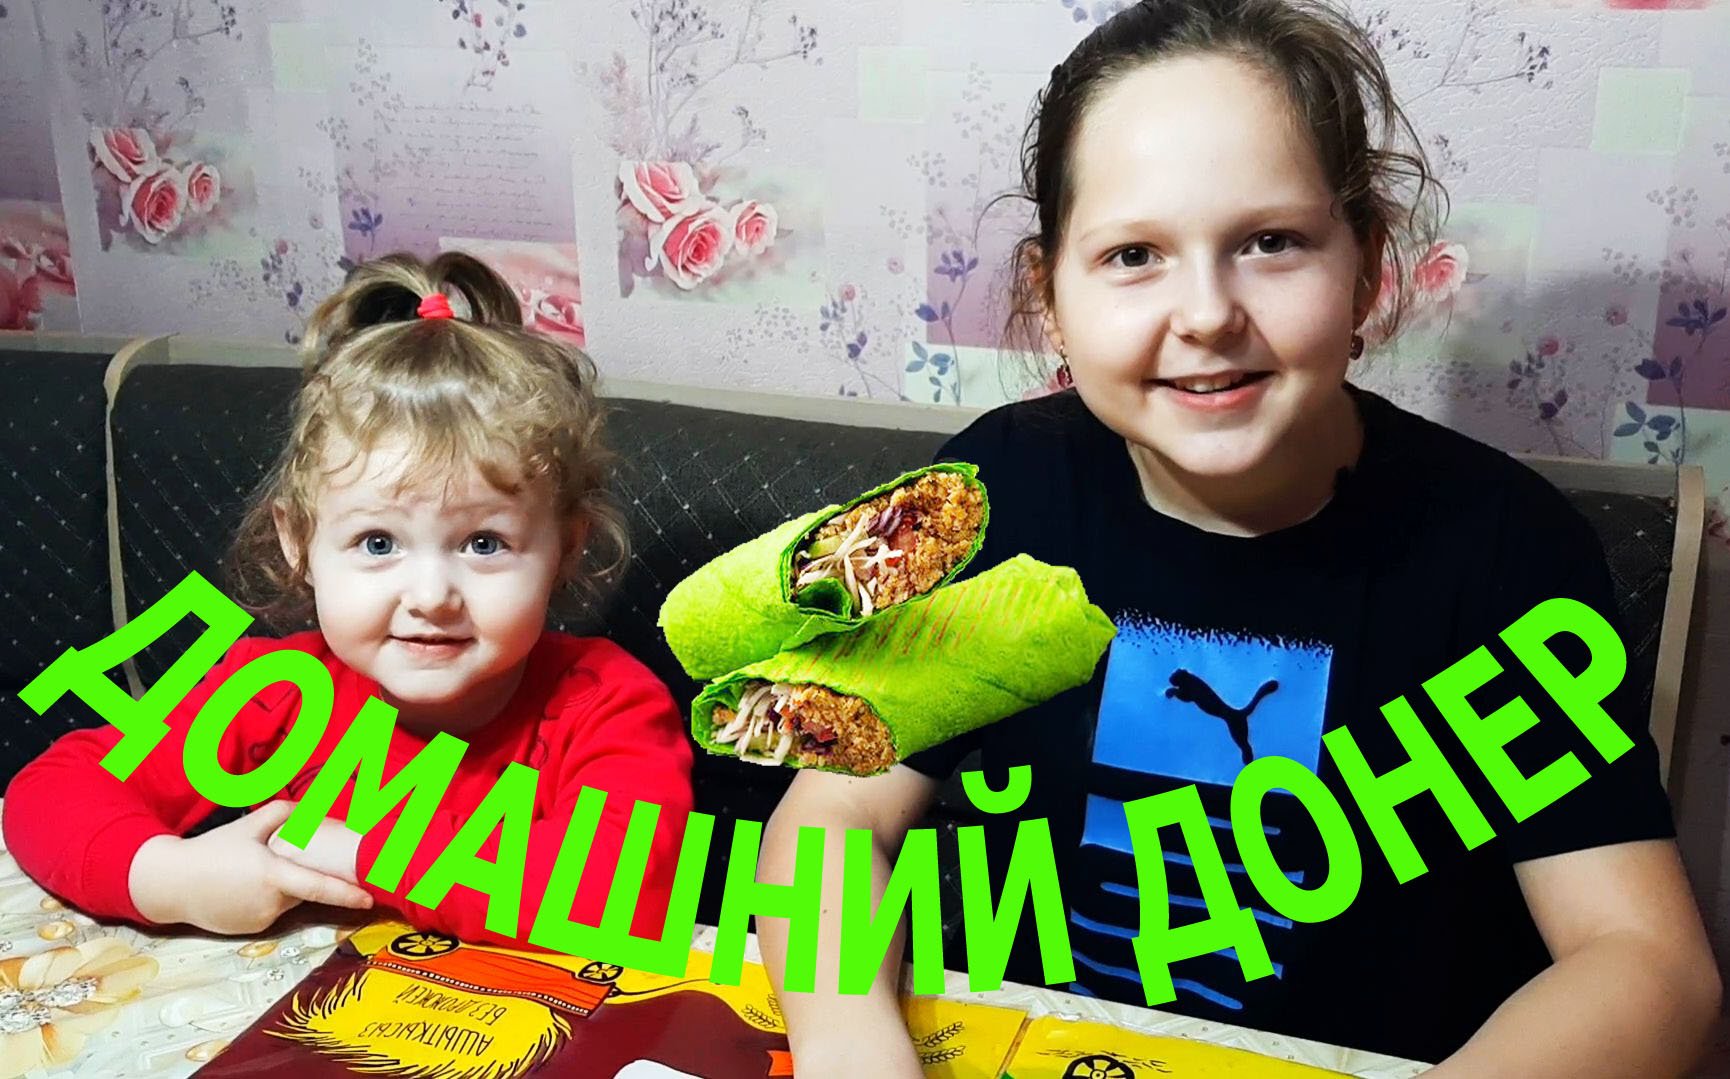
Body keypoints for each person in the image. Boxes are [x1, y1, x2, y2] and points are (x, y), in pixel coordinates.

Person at [757, 1, 1721, 1074]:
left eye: (1271, 242)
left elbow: (1646, 963)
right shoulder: (997, 493)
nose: (1207, 313)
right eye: (1133, 254)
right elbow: (834, 820)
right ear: (1050, 295)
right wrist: (852, 1043)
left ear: (1364, 265)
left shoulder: (1503, 549)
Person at [3, 252, 694, 949]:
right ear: (299, 542)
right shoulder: (276, 690)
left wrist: (363, 854)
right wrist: (168, 877)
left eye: (484, 543)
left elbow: (621, 898)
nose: (431, 596)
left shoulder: (607, 704)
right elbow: (50, 789)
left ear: (566, 548)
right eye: (377, 542)